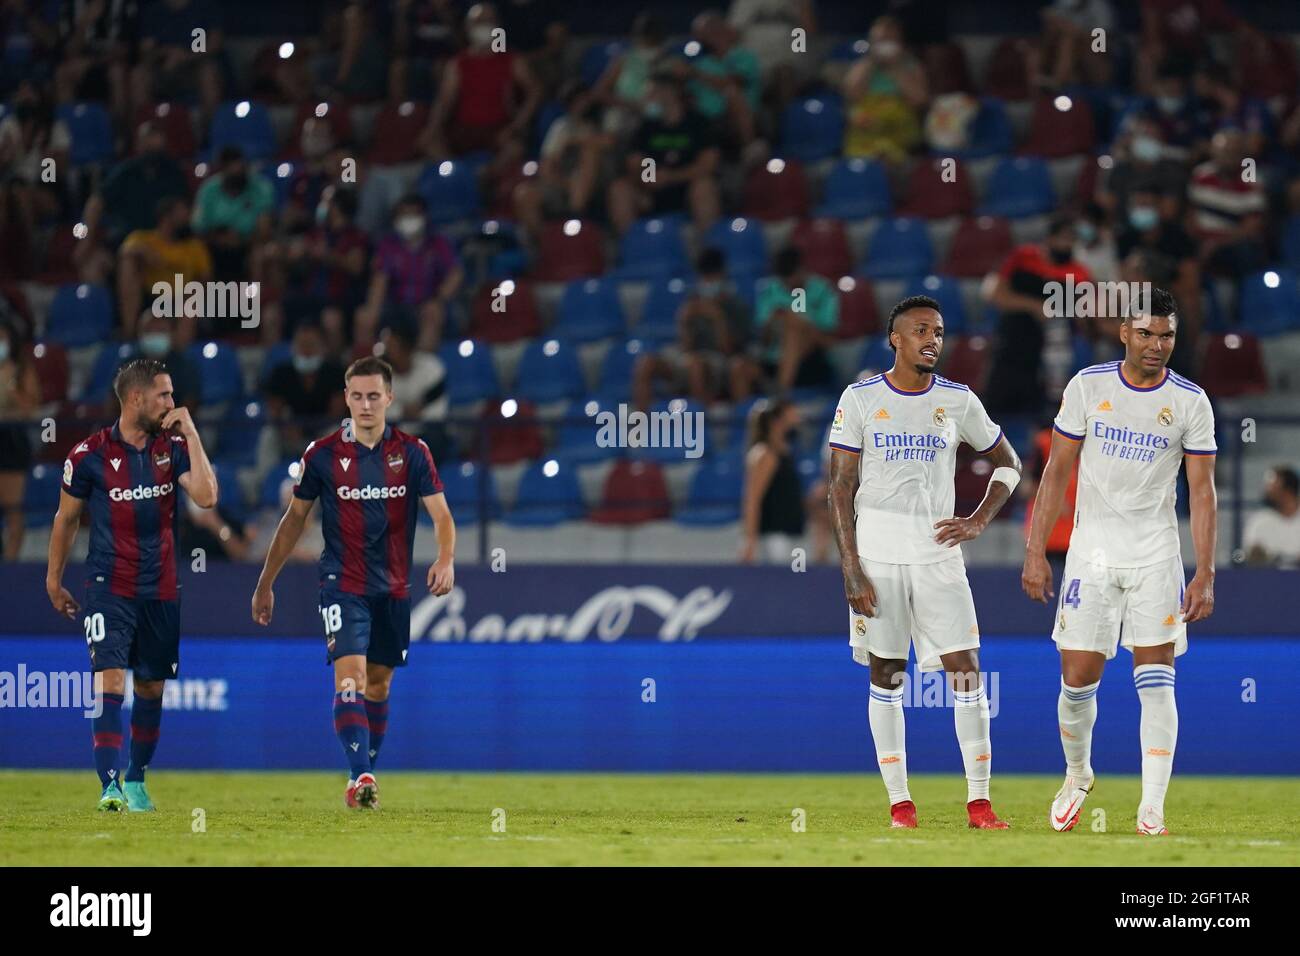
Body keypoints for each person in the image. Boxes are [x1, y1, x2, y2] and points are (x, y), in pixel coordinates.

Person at [1022, 287, 1218, 837]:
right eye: (1147, 333)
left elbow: (1202, 492)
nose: (1157, 345)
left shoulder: (1190, 402)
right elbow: (1057, 472)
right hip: (1090, 554)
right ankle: (1078, 774)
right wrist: (1036, 550)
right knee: (1077, 678)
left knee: (1157, 680)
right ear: (1125, 333)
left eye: (1167, 335)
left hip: (1156, 554)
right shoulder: (1088, 387)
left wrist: (1205, 572)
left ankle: (1152, 806)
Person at [827, 295, 1021, 830]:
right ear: (896, 338)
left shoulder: (958, 401)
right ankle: (900, 804)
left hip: (938, 554)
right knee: (887, 673)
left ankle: (979, 803)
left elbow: (1009, 464)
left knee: (965, 671)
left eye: (938, 330)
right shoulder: (861, 398)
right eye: (920, 330)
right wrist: (850, 567)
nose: (932, 339)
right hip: (878, 554)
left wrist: (978, 520)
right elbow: (840, 487)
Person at [251, 357, 457, 810]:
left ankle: (361, 776)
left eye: (373, 396)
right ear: (346, 398)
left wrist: (446, 559)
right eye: (357, 396)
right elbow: (292, 522)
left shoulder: (413, 452)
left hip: (394, 588)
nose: (365, 404)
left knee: (379, 686)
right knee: (352, 679)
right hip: (341, 584)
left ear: (390, 397)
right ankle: (362, 774)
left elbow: (441, 515)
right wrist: (267, 581)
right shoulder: (321, 455)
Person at [46, 358, 219, 812]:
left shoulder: (172, 447)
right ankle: (109, 786)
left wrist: (193, 433)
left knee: (150, 688)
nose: (172, 402)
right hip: (108, 585)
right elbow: (65, 519)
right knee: (109, 679)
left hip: (161, 586)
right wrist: (53, 577)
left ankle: (137, 780)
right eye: (164, 395)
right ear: (137, 399)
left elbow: (206, 496)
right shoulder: (89, 456)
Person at [632, 248, 753, 409]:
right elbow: (686, 347)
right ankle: (639, 428)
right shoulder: (693, 302)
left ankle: (700, 429)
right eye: (705, 277)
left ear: (723, 275)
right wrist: (683, 321)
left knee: (696, 366)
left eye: (713, 276)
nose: (708, 282)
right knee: (645, 363)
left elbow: (728, 350)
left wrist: (717, 318)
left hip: (719, 360)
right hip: (688, 356)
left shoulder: (736, 305)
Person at [606, 71, 721, 237]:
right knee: (620, 188)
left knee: (704, 186)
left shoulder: (697, 123)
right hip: (653, 189)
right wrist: (650, 179)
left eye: (654, 90)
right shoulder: (648, 126)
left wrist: (671, 176)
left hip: (687, 187)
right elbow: (637, 161)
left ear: (671, 92)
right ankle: (632, 247)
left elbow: (708, 164)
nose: (650, 95)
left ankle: (711, 247)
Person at [739, 398, 804, 563]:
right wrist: (750, 541)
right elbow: (753, 499)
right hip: (773, 537)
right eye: (791, 415)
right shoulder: (765, 454)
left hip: (790, 533)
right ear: (776, 421)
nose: (797, 419)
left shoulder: (785, 452)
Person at [0, 319, 40, 560]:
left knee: (13, 510)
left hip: (11, 442)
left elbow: (30, 408)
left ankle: (10, 565)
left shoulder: (22, 369)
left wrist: (10, 384)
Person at [1244, 466, 1300, 567]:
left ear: (1287, 491)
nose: (1267, 491)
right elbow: (1251, 559)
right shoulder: (1259, 521)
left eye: (1272, 487)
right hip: (1270, 580)